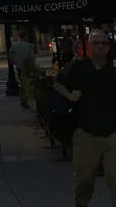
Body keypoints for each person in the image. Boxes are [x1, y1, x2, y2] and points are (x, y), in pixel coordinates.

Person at [53, 29, 116, 207]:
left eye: (104, 43)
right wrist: (69, 95)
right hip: (86, 133)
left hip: (112, 134)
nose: (101, 47)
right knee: (84, 181)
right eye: (96, 43)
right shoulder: (79, 68)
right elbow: (57, 83)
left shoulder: (113, 72)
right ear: (89, 46)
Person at [9, 29, 35, 102]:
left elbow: (10, 55)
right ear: (25, 37)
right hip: (27, 66)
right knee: (28, 80)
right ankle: (27, 94)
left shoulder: (14, 45)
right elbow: (32, 56)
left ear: (18, 36)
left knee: (21, 80)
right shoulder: (29, 45)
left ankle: (23, 96)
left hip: (19, 65)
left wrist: (14, 61)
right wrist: (32, 64)